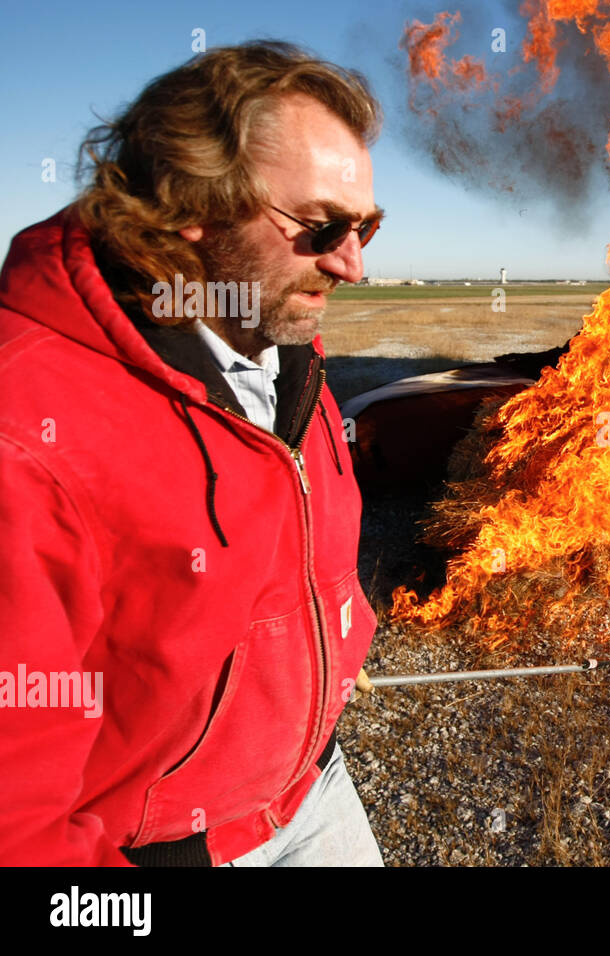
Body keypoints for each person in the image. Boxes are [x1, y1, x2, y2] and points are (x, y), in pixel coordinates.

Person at [0, 41, 384, 866]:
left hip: (312, 793)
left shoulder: (280, 352)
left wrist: (336, 653)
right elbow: (14, 819)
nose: (352, 265)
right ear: (192, 205)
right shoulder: (27, 430)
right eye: (322, 227)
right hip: (170, 852)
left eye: (367, 227)